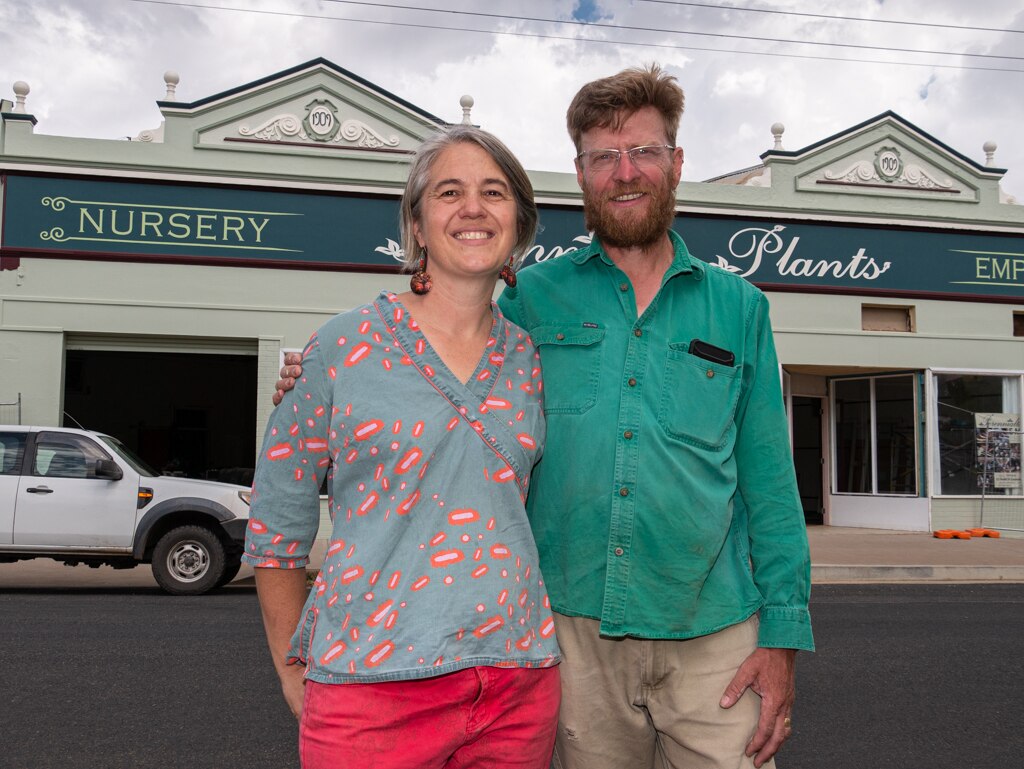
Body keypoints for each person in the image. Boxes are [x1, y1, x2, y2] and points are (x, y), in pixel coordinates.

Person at [277, 65, 813, 769]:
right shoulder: (530, 299)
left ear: (676, 164)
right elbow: (442, 338)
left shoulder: (740, 309)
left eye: (645, 151)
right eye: (603, 157)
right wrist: (318, 372)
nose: (626, 172)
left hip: (714, 635)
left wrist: (782, 638)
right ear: (581, 174)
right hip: (572, 641)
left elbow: (771, 489)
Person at [248, 125, 561, 769]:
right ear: (417, 226)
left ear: (518, 224)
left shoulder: (527, 357)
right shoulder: (341, 346)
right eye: (449, 192)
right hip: (370, 690)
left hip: (519, 684)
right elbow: (278, 520)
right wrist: (289, 665)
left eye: (494, 192)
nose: (473, 208)